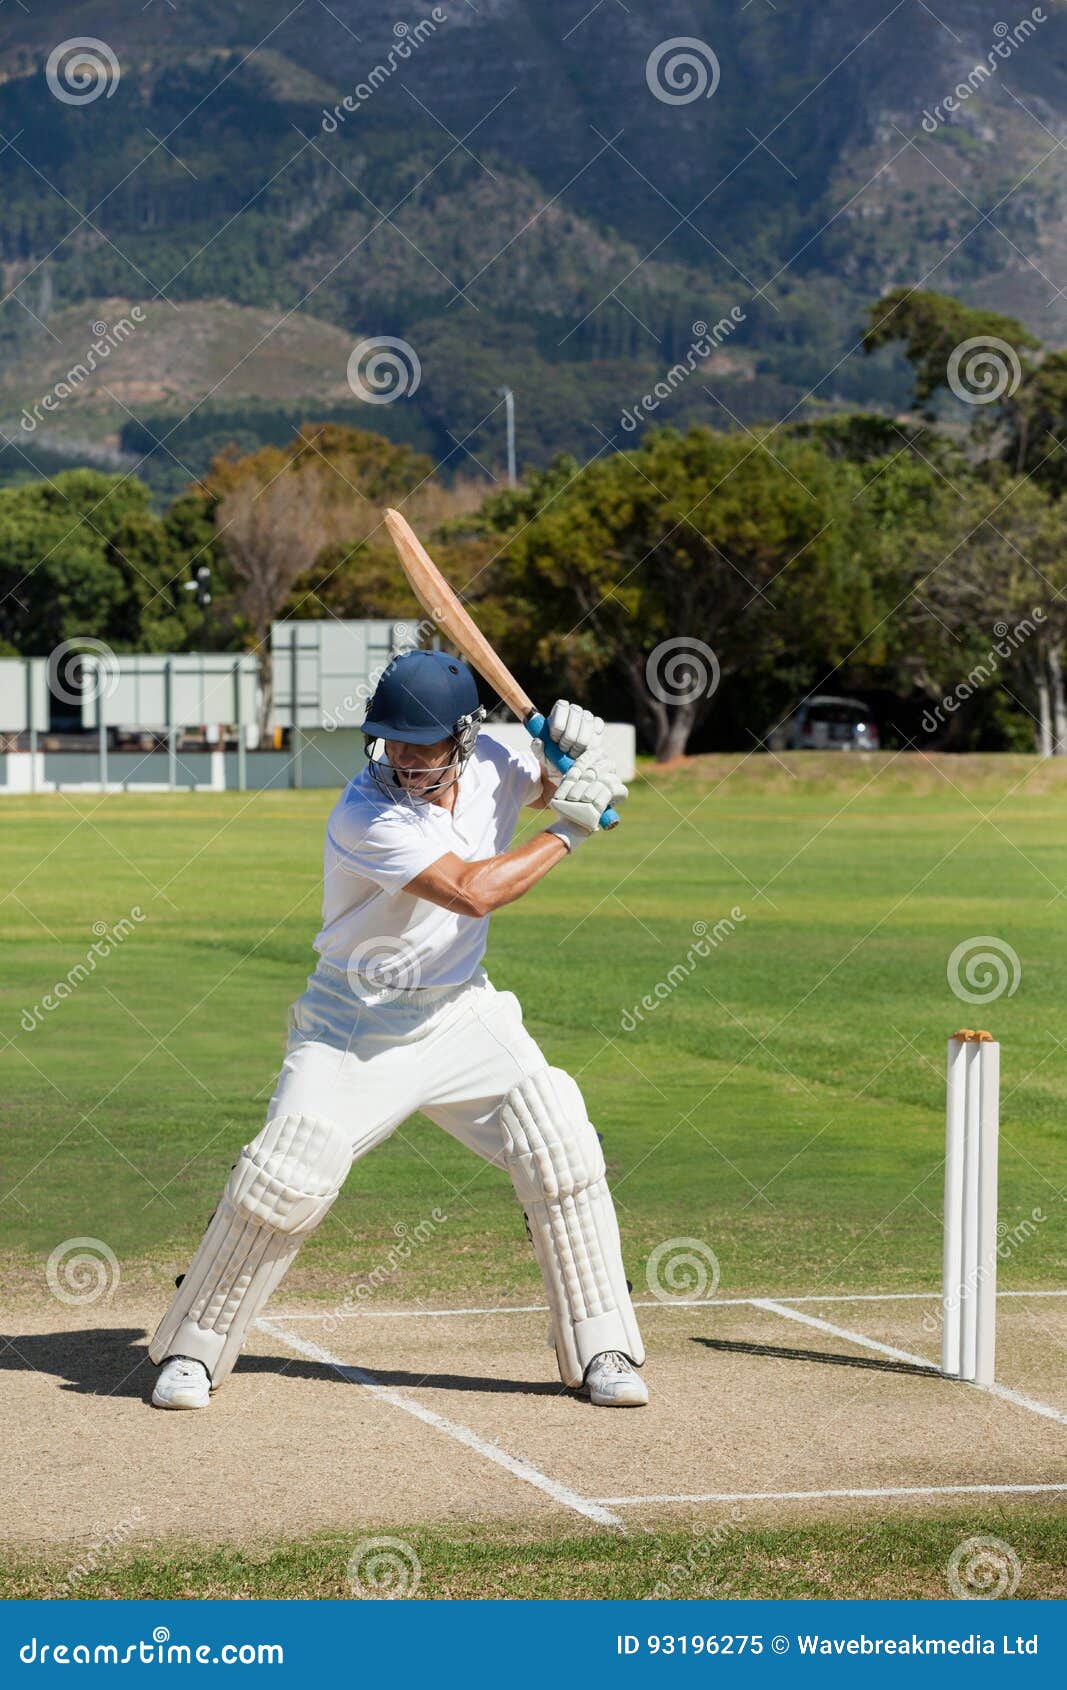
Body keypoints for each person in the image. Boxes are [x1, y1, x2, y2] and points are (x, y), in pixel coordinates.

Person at [149, 649, 646, 1409]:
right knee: (286, 1176)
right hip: (354, 1020)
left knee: (558, 1136)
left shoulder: (492, 766)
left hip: (461, 1012)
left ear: (464, 735)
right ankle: (192, 1351)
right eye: (391, 739)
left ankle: (601, 1346)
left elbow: (549, 785)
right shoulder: (365, 811)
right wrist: (569, 834)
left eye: (422, 742)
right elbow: (471, 892)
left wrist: (572, 754)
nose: (405, 757)